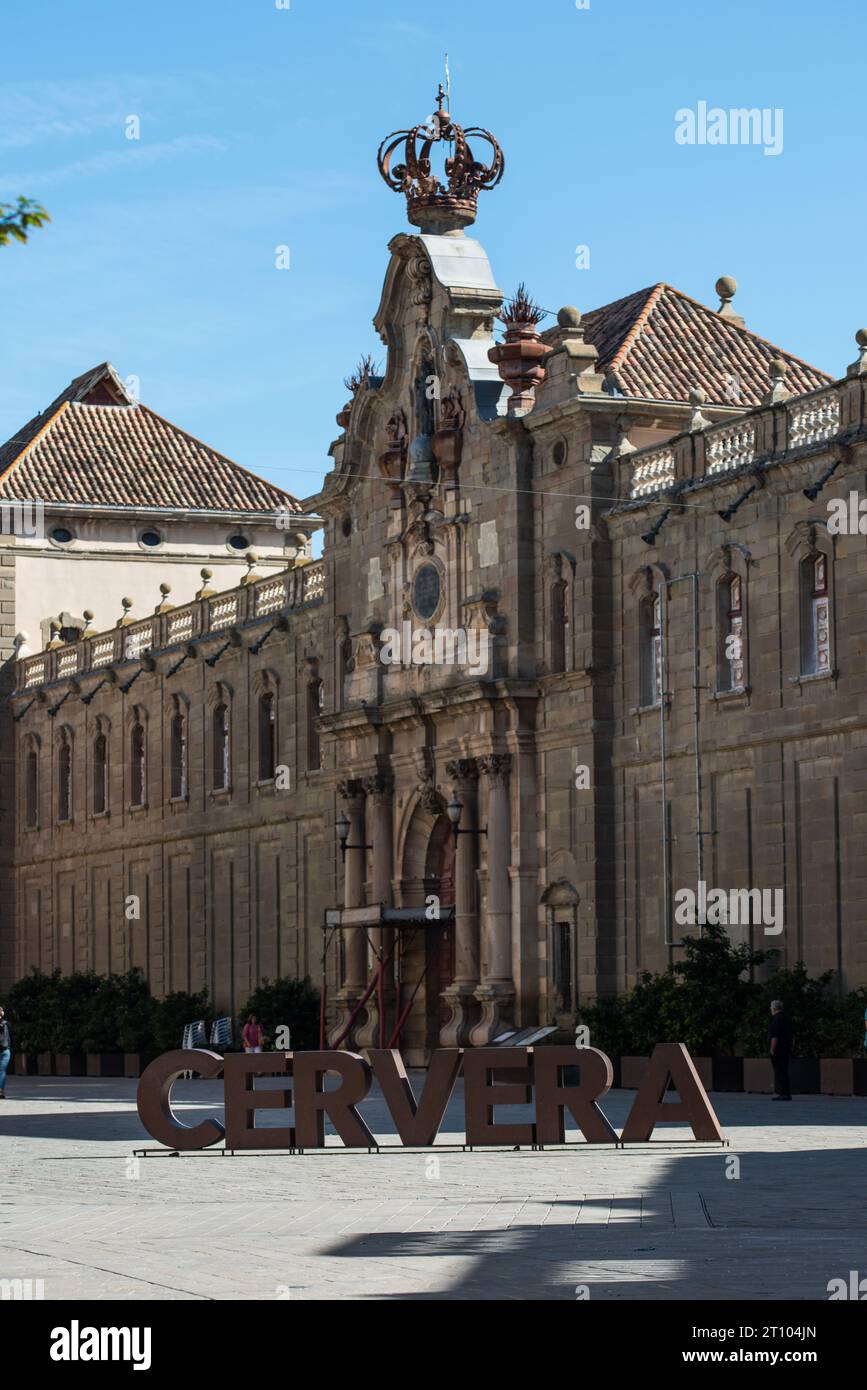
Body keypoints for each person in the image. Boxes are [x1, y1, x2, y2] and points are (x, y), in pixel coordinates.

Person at [769, 999, 793, 1101]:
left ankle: (783, 1093)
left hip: (779, 1050)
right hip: (786, 1048)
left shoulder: (776, 1019)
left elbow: (775, 1036)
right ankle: (786, 1092)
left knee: (779, 1071)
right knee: (784, 1071)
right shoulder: (786, 1018)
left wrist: (772, 1049)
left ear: (774, 1008)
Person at [0, 1005, 11, 1099]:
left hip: (5, 1050)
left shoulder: (6, 1024)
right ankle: (1, 1091)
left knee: (2, 1071)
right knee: (2, 1071)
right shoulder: (6, 1023)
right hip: (5, 1050)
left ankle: (1, 1091)